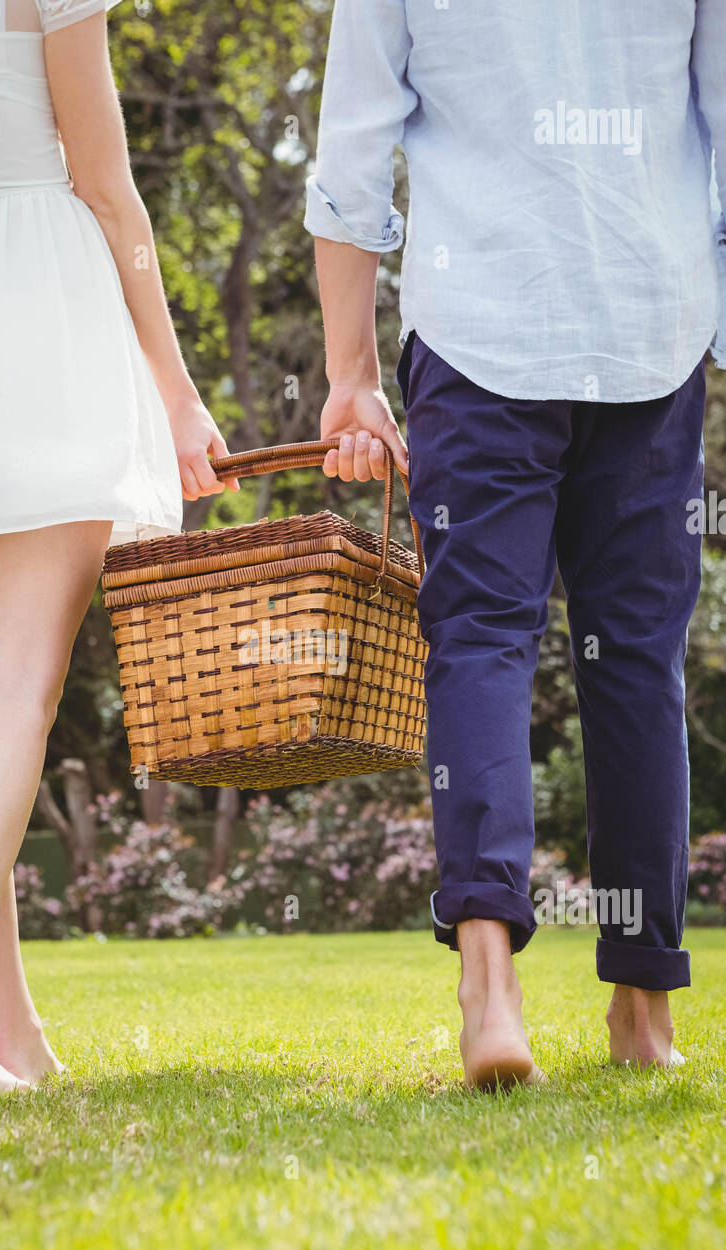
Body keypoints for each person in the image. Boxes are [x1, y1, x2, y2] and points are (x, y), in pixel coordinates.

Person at [306, 0, 725, 1088]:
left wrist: (348, 376)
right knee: (634, 661)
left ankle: (488, 989)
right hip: (649, 322)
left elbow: (350, 149)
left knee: (480, 641)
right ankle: (641, 1010)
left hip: (479, 325)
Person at [0, 0, 234, 1099]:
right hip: (39, 311)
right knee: (13, 686)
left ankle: (5, 1031)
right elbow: (106, 188)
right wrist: (175, 392)